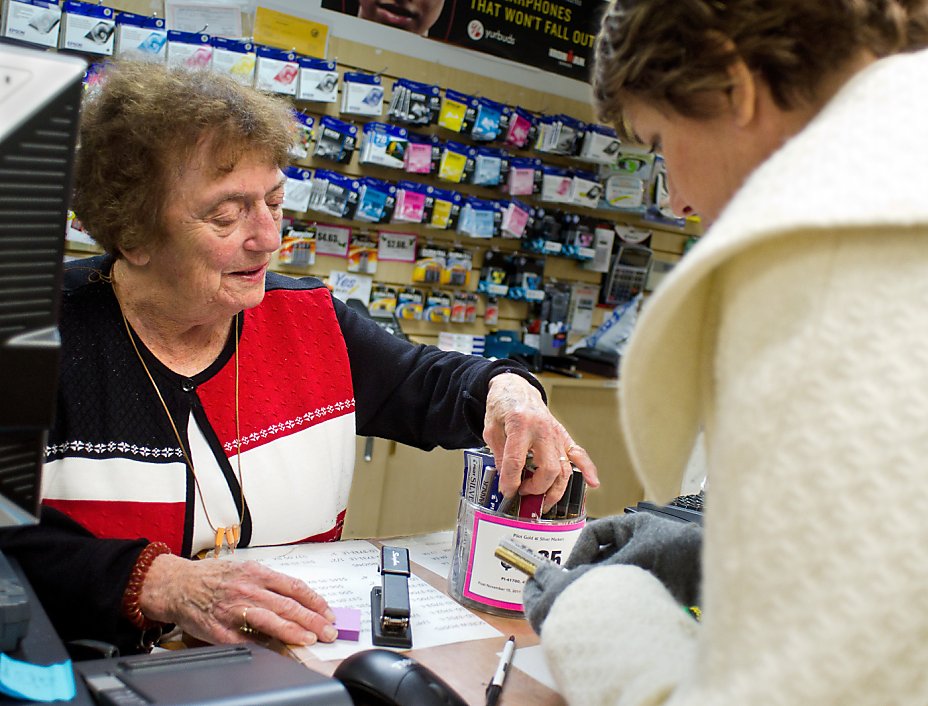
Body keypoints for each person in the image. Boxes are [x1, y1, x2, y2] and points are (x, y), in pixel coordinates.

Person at [0, 61, 597, 655]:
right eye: (226, 215)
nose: (267, 238)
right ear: (132, 232)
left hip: (287, 673)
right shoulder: (37, 332)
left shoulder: (307, 320)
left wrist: (510, 395)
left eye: (276, 202)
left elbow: (433, 383)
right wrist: (161, 583)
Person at [523, 1, 928, 704]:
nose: (675, 199)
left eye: (658, 142)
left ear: (730, 80)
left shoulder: (824, 258)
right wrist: (723, 547)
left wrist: (597, 618)